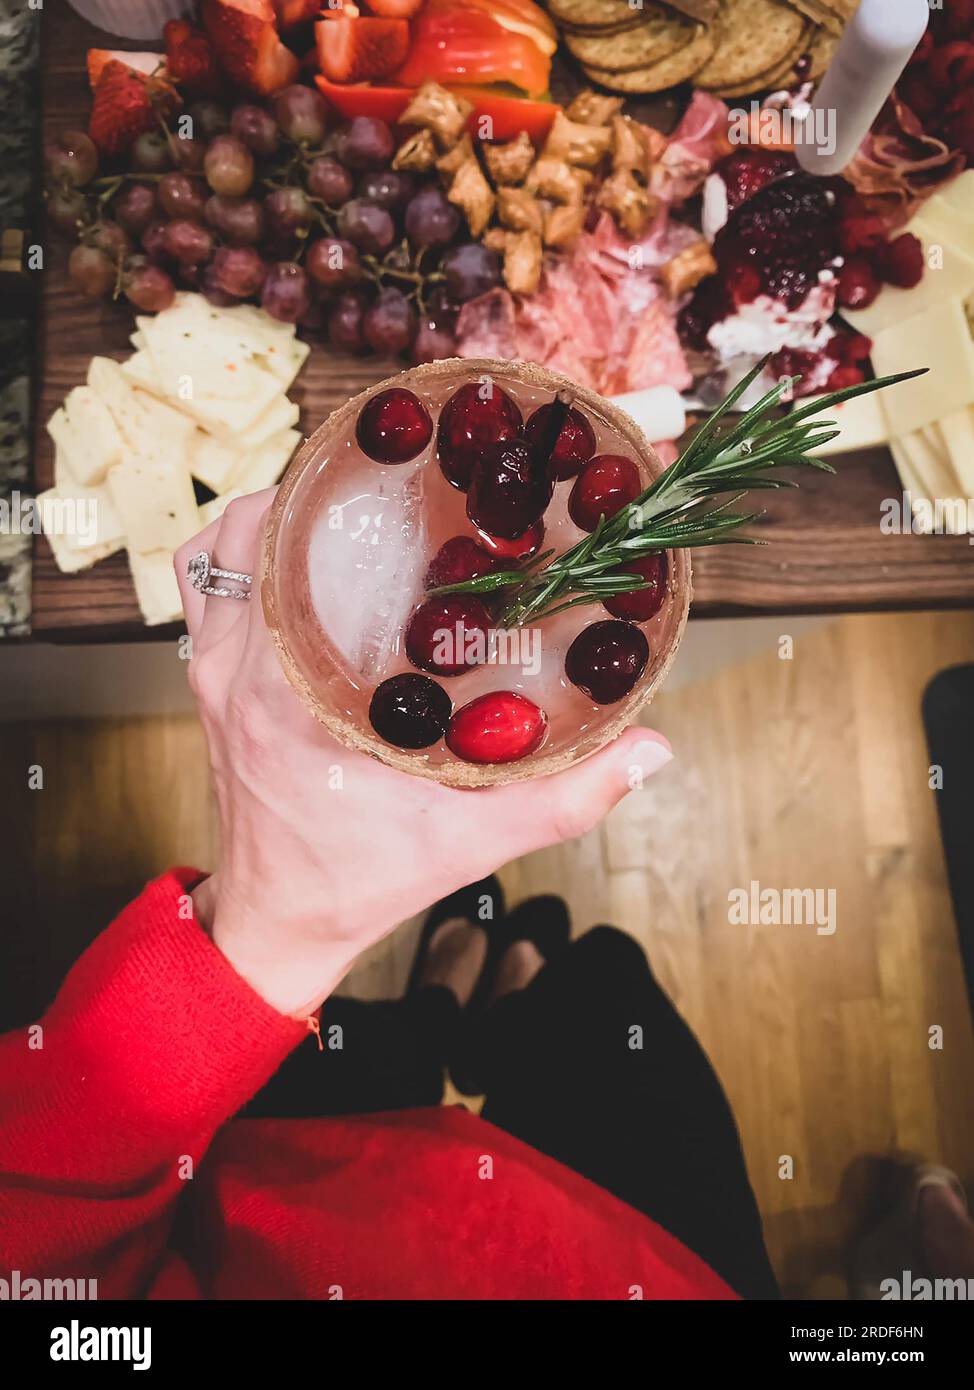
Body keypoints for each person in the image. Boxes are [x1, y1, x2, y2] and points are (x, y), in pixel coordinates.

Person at [0, 491, 776, 1301]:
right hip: (642, 1261)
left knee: (373, 1055)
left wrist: (263, 940)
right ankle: (502, 1015)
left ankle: (442, 1006)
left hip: (283, 1191)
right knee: (604, 986)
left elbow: (39, 1203)